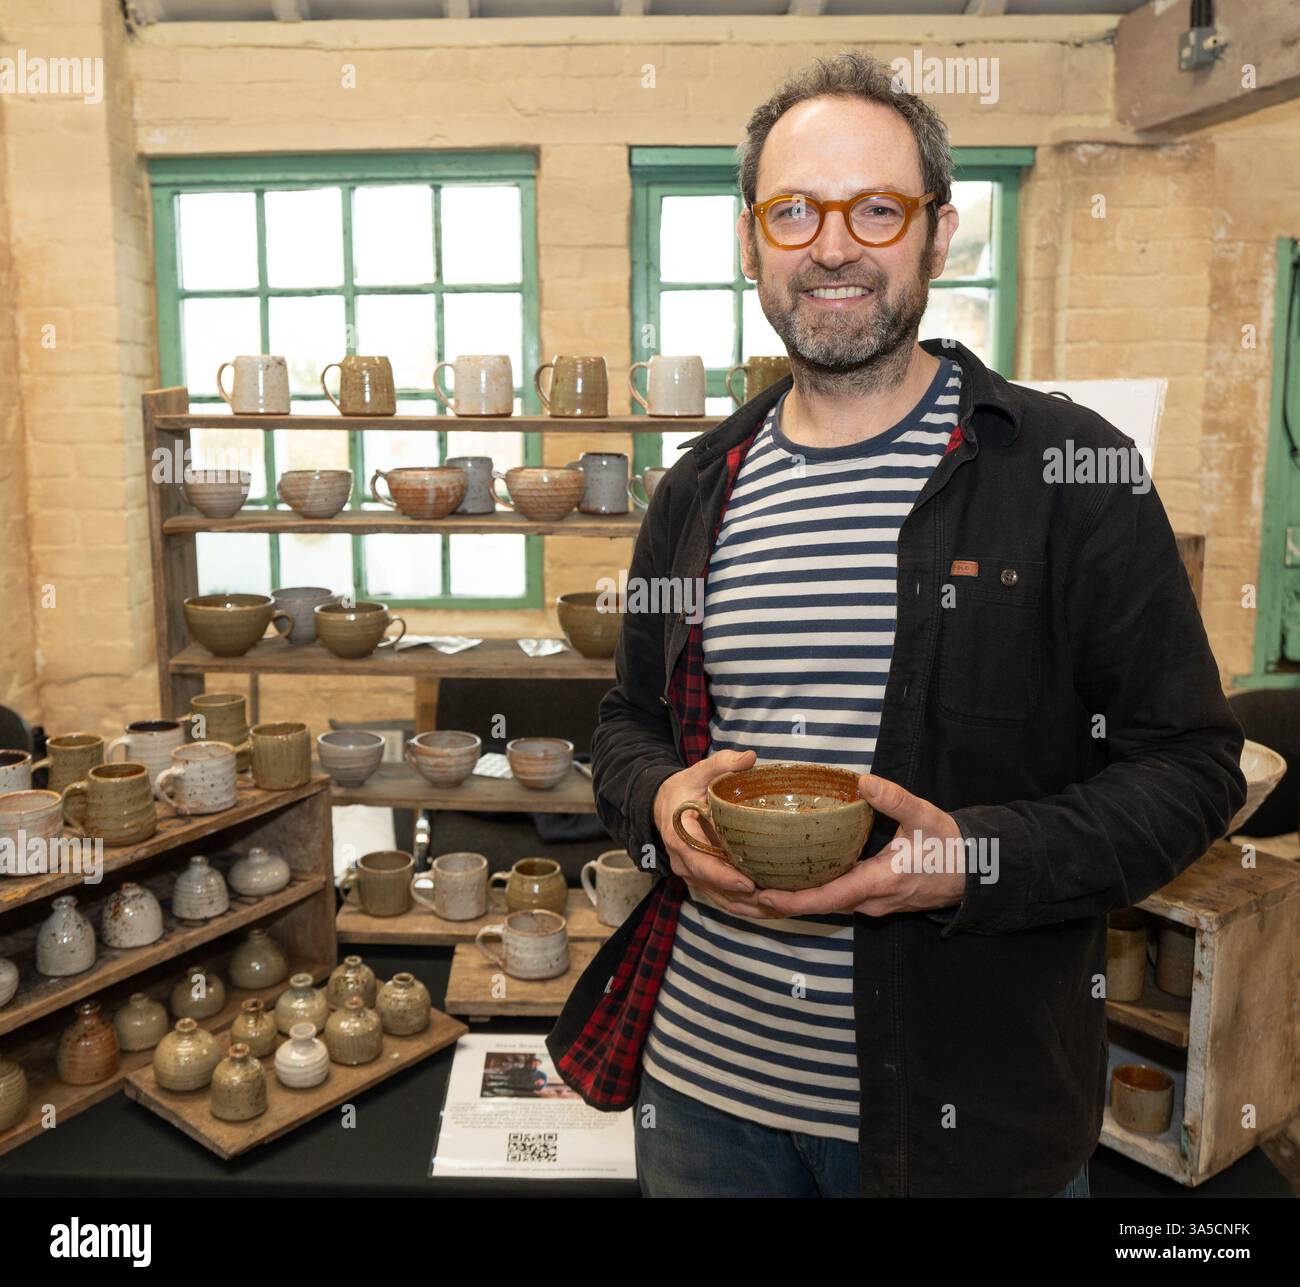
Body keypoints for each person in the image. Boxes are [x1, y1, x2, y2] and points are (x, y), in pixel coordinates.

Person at [545, 50, 1246, 1199]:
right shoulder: (698, 486)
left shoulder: (1070, 472)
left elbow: (1189, 768)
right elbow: (627, 722)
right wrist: (662, 802)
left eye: (875, 209)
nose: (832, 247)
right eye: (793, 211)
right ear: (750, 243)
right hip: (702, 1105)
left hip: (968, 1123)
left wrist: (967, 861)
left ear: (938, 234)